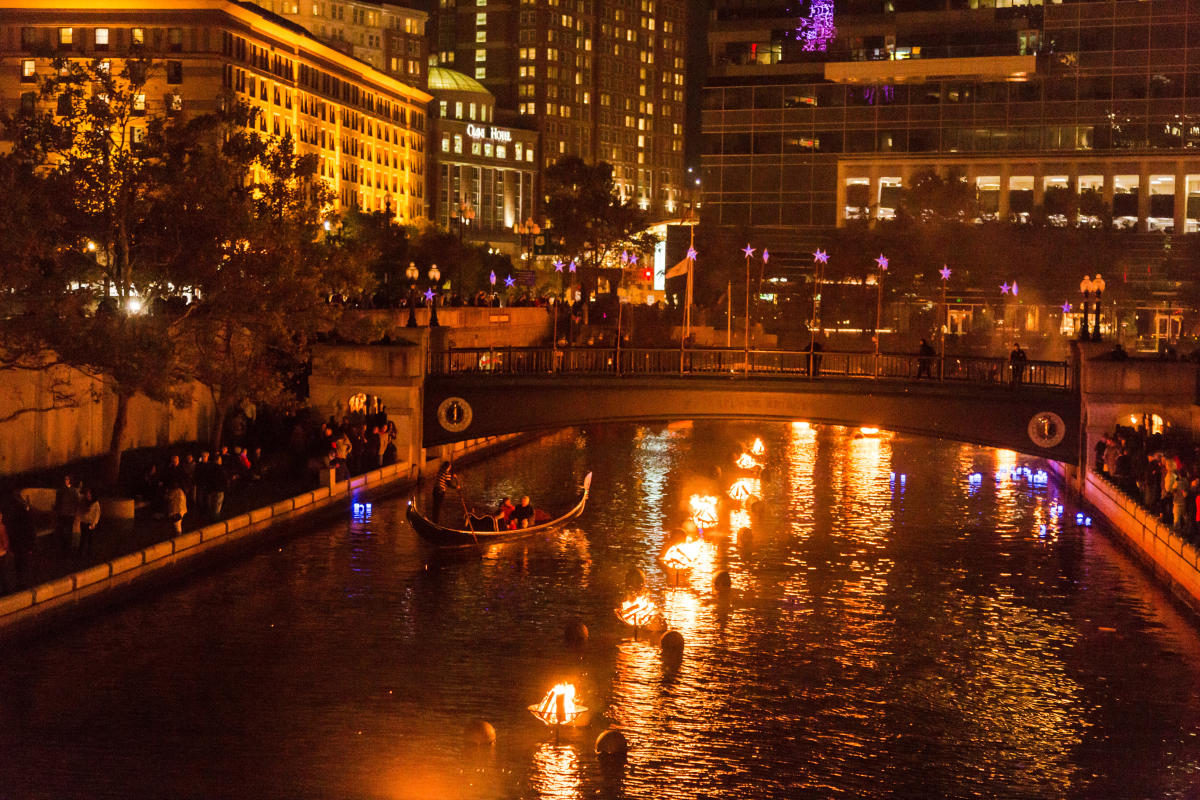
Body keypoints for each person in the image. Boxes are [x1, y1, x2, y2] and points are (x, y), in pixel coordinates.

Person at [53, 475, 79, 555]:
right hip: (62, 514)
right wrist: (58, 511)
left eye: (67, 479)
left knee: (68, 531)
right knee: (62, 531)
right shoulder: (61, 490)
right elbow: (58, 501)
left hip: (70, 514)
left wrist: (73, 511)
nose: (66, 481)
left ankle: (68, 548)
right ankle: (62, 548)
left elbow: (75, 502)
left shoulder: (73, 491)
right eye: (65, 479)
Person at [76, 487, 102, 557]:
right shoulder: (83, 501)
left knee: (90, 539)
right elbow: (80, 510)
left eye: (89, 493)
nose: (88, 494)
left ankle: (89, 553)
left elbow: (97, 513)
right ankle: (80, 553)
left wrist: (94, 523)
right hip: (84, 522)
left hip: (91, 523)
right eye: (87, 493)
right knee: (83, 538)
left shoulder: (95, 503)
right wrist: (80, 518)